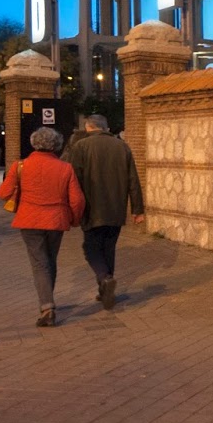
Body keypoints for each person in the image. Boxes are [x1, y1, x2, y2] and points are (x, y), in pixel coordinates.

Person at [0, 126, 85, 327]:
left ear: (34, 143)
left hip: (30, 219)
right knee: (50, 260)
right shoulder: (65, 168)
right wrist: (75, 219)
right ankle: (48, 300)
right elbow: (77, 200)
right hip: (56, 220)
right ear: (56, 145)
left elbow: (3, 193)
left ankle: (47, 306)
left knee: (39, 262)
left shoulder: (20, 166)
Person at [64, 114, 145, 310]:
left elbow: (74, 180)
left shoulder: (80, 147)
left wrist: (71, 208)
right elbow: (133, 180)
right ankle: (106, 290)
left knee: (91, 248)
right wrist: (137, 209)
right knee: (109, 248)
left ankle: (105, 279)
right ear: (106, 128)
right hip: (116, 208)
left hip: (91, 208)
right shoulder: (122, 146)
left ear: (88, 127)